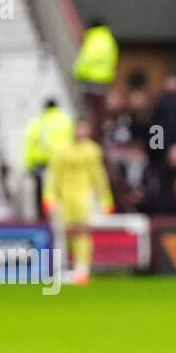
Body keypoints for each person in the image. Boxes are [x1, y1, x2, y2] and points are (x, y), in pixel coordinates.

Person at [44, 121, 113, 286]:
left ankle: (82, 268)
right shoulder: (62, 150)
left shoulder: (92, 150)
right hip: (65, 197)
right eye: (79, 128)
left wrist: (106, 199)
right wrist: (49, 197)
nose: (81, 132)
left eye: (85, 128)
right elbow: (54, 175)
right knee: (65, 232)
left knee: (82, 231)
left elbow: (98, 176)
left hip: (84, 195)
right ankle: (64, 267)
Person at [22, 99, 73, 220]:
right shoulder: (66, 120)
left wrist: (28, 163)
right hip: (62, 160)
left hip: (42, 161)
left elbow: (29, 143)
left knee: (42, 190)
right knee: (61, 188)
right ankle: (63, 215)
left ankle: (42, 216)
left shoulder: (38, 122)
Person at [72, 18, 118, 136]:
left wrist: (78, 73)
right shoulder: (109, 40)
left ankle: (88, 134)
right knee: (99, 112)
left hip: (91, 80)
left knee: (88, 111)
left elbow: (88, 59)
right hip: (104, 80)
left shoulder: (94, 39)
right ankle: (98, 134)